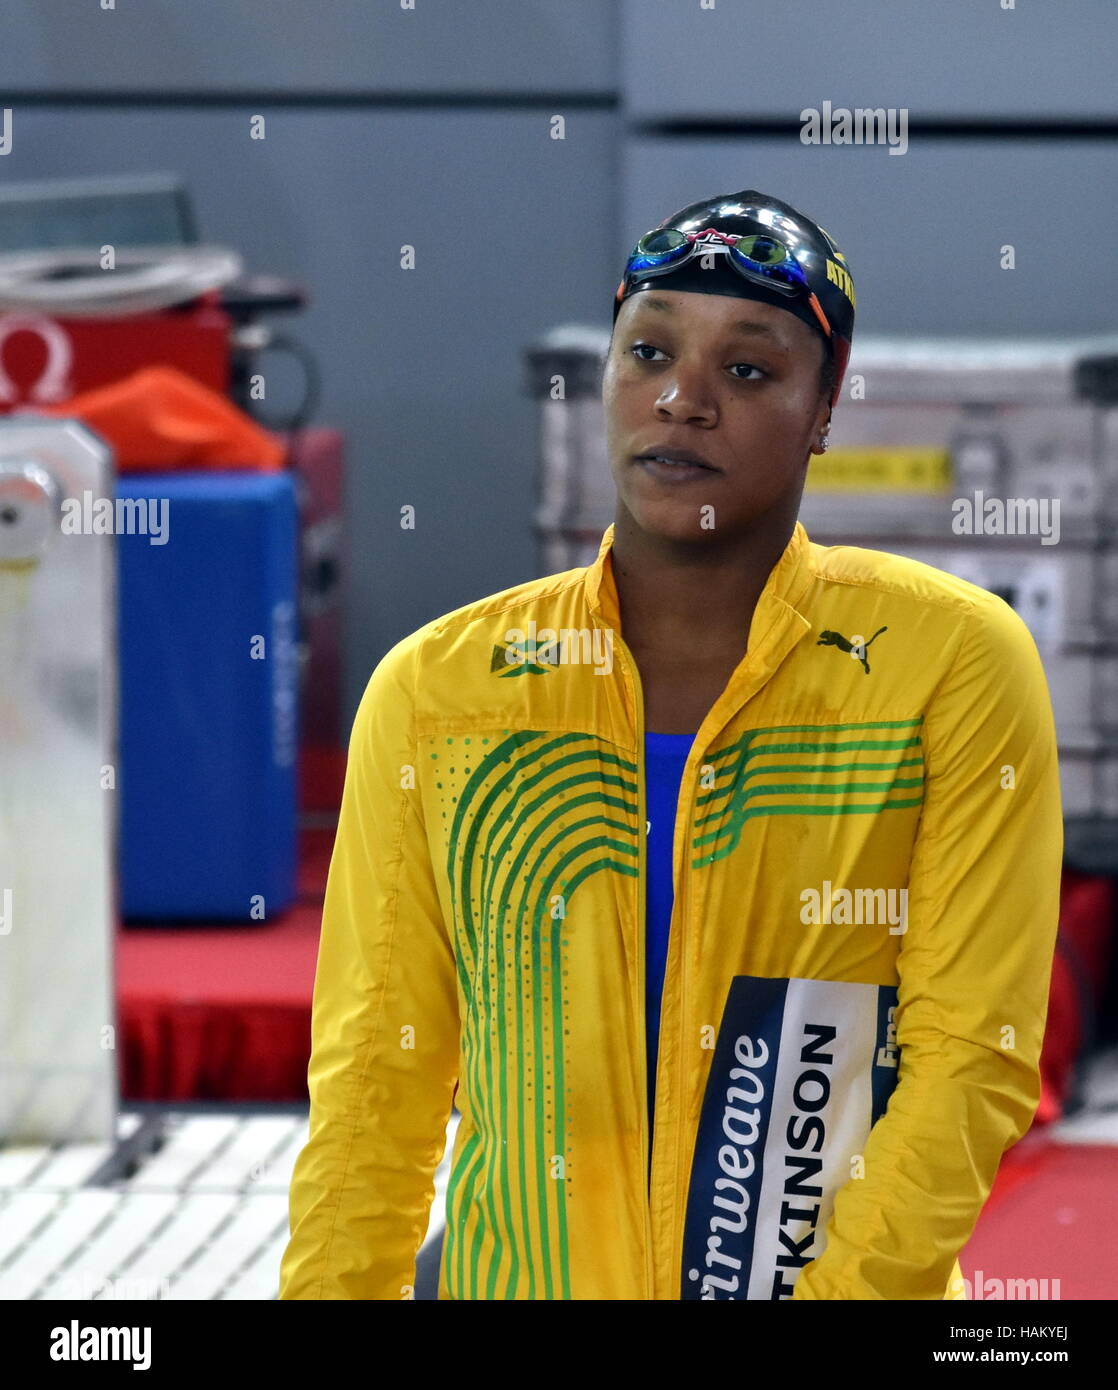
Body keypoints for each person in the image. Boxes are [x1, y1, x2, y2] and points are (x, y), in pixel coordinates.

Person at [279, 188, 1063, 1300]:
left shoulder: (943, 665)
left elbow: (965, 1061)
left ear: (824, 407)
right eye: (647, 351)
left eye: (746, 371)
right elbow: (374, 1079)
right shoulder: (441, 690)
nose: (681, 399)